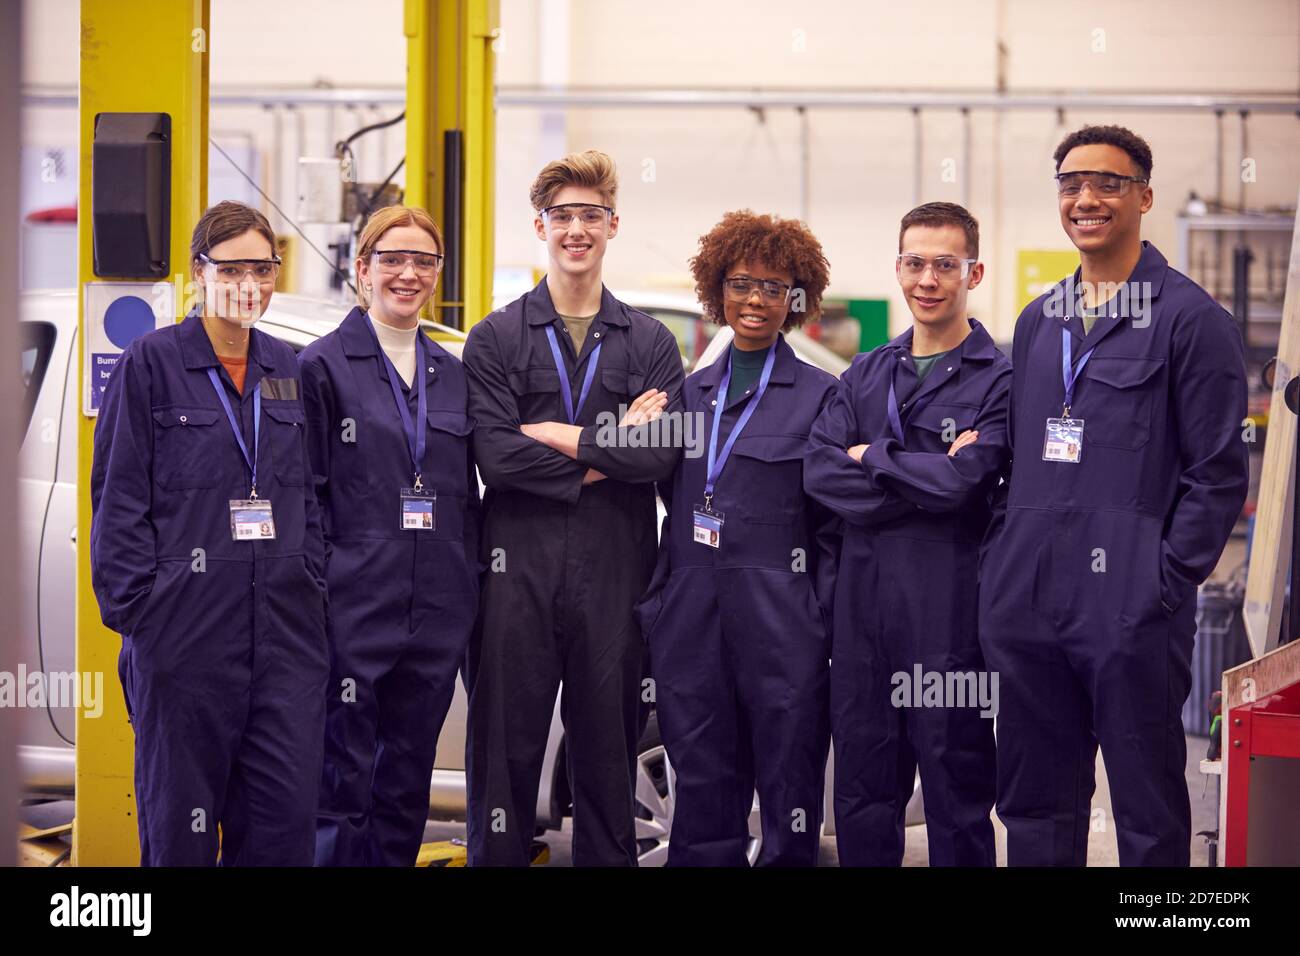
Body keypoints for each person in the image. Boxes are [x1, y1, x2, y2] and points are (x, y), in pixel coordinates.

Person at [978, 125, 1249, 866]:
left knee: (1147, 806)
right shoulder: (1040, 320)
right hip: (1030, 600)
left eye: (1108, 183)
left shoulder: (1192, 321)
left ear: (1144, 197)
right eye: (1071, 184)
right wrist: (1006, 566)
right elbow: (1022, 457)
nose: (1086, 198)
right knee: (1032, 802)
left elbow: (1218, 472)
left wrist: (1160, 584)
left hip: (1131, 608)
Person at [463, 150, 684, 866]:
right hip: (513, 570)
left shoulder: (650, 341)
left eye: (591, 215)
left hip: (617, 570)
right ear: (540, 226)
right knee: (503, 759)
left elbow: (659, 459)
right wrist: (610, 447)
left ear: (613, 225)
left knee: (607, 760)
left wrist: (559, 435)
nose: (577, 229)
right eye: (563, 216)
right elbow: (494, 456)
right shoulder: (495, 337)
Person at [90, 200, 327, 866]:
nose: (248, 283)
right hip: (186, 644)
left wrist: (310, 585)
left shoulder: (290, 369)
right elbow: (118, 497)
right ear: (200, 272)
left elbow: (308, 492)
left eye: (263, 267)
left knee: (281, 832)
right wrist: (147, 617)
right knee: (180, 835)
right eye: (232, 268)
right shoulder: (151, 365)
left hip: (283, 644)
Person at [805, 202, 1009, 866]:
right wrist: (927, 479)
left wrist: (875, 457)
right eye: (915, 262)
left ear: (972, 271)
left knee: (957, 792)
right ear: (898, 267)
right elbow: (819, 473)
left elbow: (966, 485)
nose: (928, 278)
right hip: (862, 620)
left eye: (945, 264)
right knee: (864, 792)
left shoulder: (999, 381)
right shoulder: (865, 371)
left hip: (947, 619)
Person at [636, 211, 838, 866]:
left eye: (774, 287)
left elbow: (834, 525)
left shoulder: (822, 397)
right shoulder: (685, 396)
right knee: (701, 784)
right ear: (716, 290)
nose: (755, 300)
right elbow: (669, 493)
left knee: (789, 783)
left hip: (783, 623)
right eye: (741, 283)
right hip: (693, 618)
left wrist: (819, 617)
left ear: (796, 299)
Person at [299, 205, 480, 866]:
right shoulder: (321, 367)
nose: (409, 273)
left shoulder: (453, 374)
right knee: (339, 779)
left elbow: (469, 494)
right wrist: (323, 592)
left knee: (407, 781)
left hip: (434, 614)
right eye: (393, 259)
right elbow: (305, 499)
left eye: (424, 261)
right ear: (362, 268)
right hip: (350, 608)